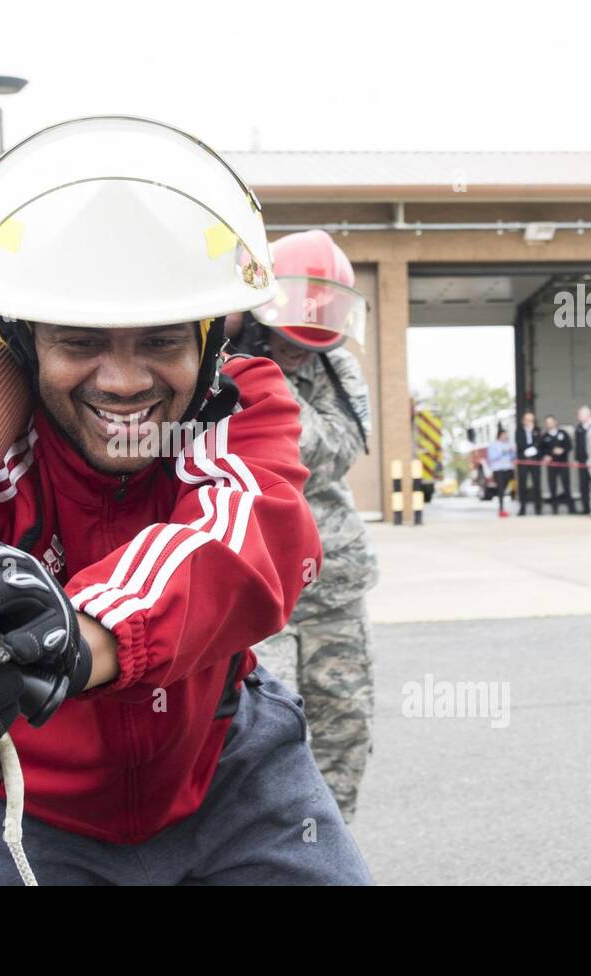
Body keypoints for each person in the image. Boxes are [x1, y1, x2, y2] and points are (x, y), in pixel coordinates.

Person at [0, 117, 371, 885]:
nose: (122, 381)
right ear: (25, 343)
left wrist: (67, 636)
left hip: (225, 773)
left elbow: (243, 536)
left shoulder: (239, 397)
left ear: (209, 342)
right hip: (26, 814)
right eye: (80, 342)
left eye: (159, 342)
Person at [227, 229, 377, 823]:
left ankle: (328, 848)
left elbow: (335, 451)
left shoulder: (335, 365)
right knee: (265, 729)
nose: (297, 352)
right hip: (256, 579)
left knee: (346, 723)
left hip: (334, 583)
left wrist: (264, 386)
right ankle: (267, 850)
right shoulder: (219, 351)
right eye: (288, 341)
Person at [540, 414, 575, 514]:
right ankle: (554, 509)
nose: (549, 424)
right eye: (547, 423)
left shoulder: (563, 433)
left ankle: (571, 509)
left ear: (555, 422)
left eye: (551, 422)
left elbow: (569, 446)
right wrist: (548, 454)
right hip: (551, 465)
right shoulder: (545, 436)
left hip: (563, 463)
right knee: (552, 486)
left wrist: (563, 450)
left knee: (566, 486)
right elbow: (541, 449)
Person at [515, 411, 543, 515]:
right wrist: (527, 450)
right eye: (527, 420)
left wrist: (534, 449)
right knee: (522, 485)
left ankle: (538, 508)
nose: (529, 422)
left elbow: (540, 443)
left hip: (535, 461)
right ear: (523, 421)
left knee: (537, 485)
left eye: (531, 420)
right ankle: (522, 508)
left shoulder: (537, 430)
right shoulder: (519, 431)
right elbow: (520, 443)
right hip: (523, 461)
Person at [486, 428, 516, 518]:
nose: (505, 436)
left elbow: (512, 457)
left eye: (506, 435)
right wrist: (503, 452)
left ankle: (507, 506)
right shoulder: (493, 445)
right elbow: (492, 457)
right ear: (499, 435)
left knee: (507, 488)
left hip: (508, 469)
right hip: (498, 469)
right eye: (504, 435)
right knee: (500, 489)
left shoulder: (509, 445)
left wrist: (513, 451)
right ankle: (501, 509)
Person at [574, 405, 591, 514]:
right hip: (582, 461)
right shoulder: (579, 428)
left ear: (588, 415)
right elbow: (577, 445)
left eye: (580, 414)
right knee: (583, 485)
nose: (579, 416)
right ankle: (586, 508)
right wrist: (577, 459)